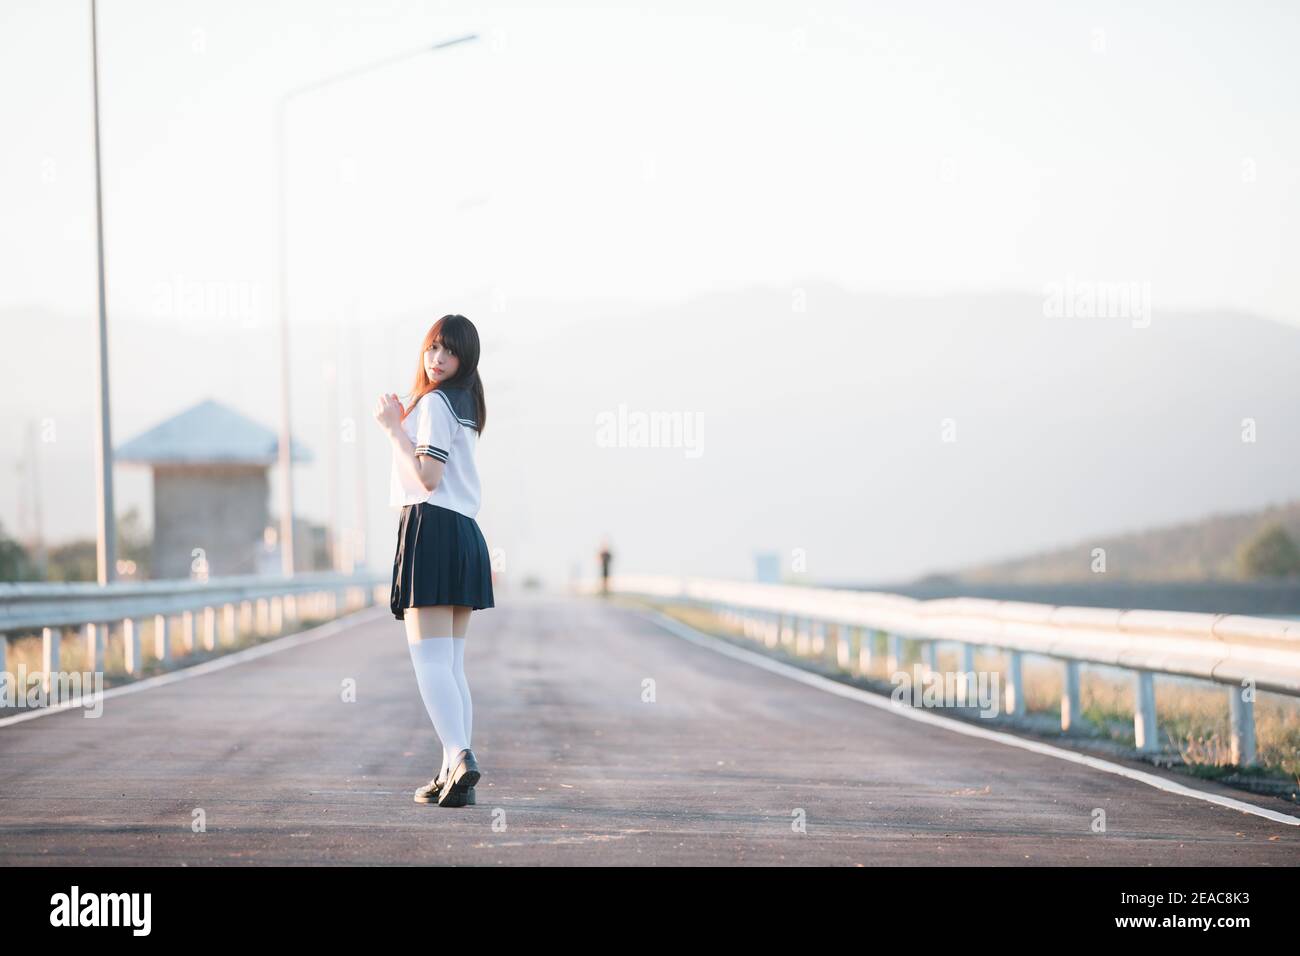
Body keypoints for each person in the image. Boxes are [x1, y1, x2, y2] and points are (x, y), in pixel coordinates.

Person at [374, 313, 494, 808]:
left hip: (432, 526)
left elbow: (427, 477)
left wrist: (391, 430)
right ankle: (450, 772)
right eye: (433, 349)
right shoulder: (464, 404)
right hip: (464, 532)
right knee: (450, 663)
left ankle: (458, 753)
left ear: (465, 359)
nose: (438, 358)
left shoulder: (435, 404)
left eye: (449, 351)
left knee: (429, 661)